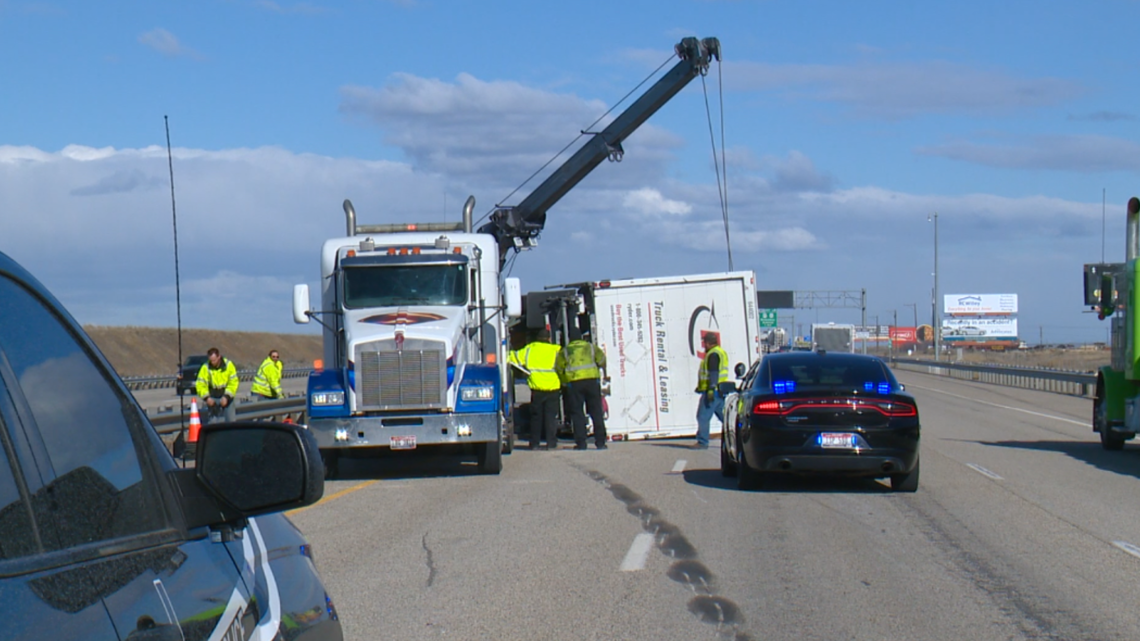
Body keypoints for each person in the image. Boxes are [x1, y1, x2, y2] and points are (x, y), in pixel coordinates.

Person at [508, 328, 563, 450]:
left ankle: (535, 443)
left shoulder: (530, 349)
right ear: (549, 339)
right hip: (553, 387)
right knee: (551, 417)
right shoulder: (556, 350)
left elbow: (513, 357)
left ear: (537, 338)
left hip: (537, 388)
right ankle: (551, 443)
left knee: (536, 417)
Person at [557, 330, 608, 450]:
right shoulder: (591, 347)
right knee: (596, 411)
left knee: (577, 413)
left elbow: (559, 368)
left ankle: (581, 443)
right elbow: (602, 360)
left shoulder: (565, 351)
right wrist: (603, 372)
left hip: (574, 383)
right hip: (592, 381)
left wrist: (564, 382)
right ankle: (600, 442)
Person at [694, 332, 729, 449]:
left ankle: (702, 442)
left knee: (702, 416)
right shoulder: (720, 352)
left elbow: (714, 373)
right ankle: (737, 434)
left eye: (704, 343)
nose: (704, 345)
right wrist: (701, 387)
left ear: (708, 343)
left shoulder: (713, 355)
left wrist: (710, 388)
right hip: (719, 391)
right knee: (725, 417)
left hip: (712, 392)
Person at [196, 347, 239, 424]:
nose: (212, 362)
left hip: (226, 396)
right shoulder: (206, 367)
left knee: (231, 422)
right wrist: (207, 398)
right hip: (213, 397)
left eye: (214, 360)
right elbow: (200, 384)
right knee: (212, 423)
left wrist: (227, 397)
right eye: (211, 360)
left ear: (219, 357)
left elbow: (234, 382)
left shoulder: (228, 365)